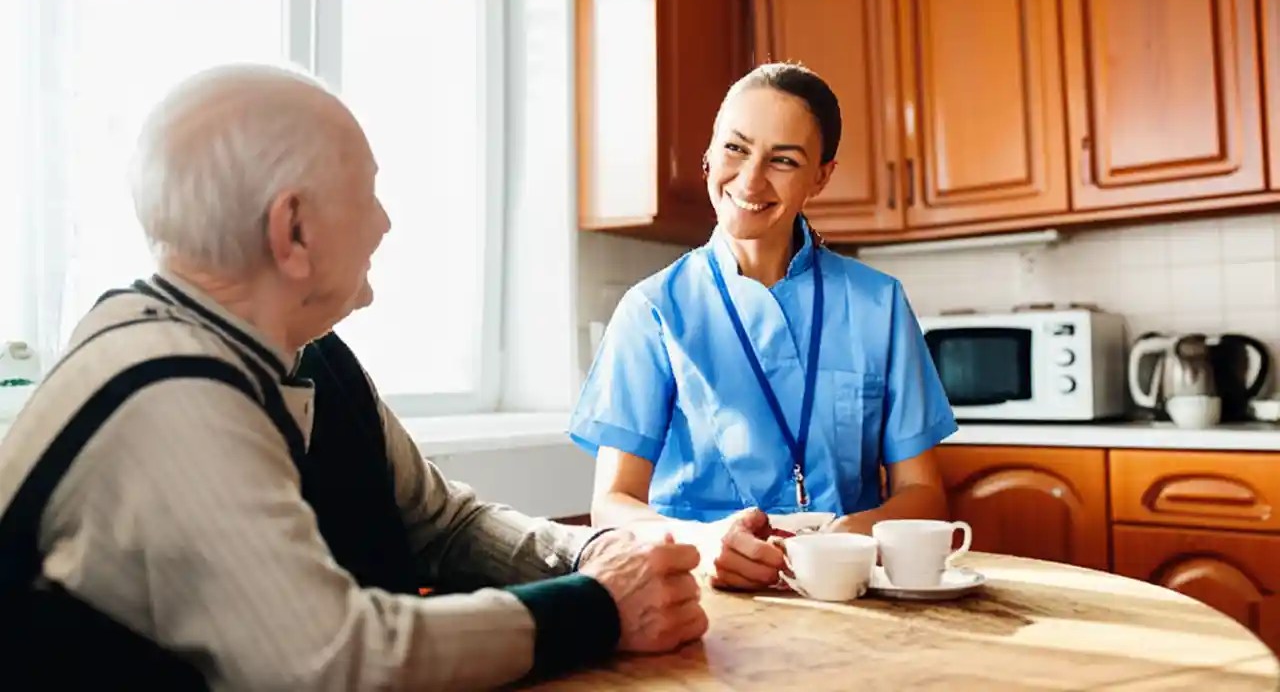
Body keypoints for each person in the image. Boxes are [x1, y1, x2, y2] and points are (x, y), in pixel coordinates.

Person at [0, 63, 707, 690]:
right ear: (294, 231)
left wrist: (594, 551)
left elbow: (444, 524)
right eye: (367, 193)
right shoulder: (167, 393)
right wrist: (596, 607)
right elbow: (333, 663)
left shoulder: (303, 355)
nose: (386, 223)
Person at [569, 62, 958, 591]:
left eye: (783, 159)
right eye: (735, 148)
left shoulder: (878, 304)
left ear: (820, 176)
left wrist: (849, 538)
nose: (750, 179)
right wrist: (707, 545)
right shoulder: (652, 310)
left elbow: (923, 490)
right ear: (708, 153)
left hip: (847, 590)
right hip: (700, 597)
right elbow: (612, 506)